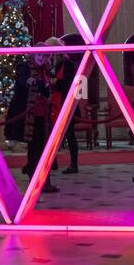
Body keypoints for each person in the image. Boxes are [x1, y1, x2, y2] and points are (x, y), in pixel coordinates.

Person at [18, 54, 58, 193]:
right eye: (41, 55)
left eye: (46, 57)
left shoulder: (45, 70)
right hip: (31, 114)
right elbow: (24, 81)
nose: (44, 59)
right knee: (35, 147)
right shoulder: (26, 67)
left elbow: (48, 87)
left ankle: (42, 178)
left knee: (44, 147)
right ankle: (34, 176)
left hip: (44, 114)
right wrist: (38, 84)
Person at [46, 38, 81, 175]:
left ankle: (74, 164)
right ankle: (52, 163)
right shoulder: (56, 63)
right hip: (55, 103)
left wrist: (54, 81)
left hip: (65, 104)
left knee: (70, 134)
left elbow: (66, 84)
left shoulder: (67, 64)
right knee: (51, 135)